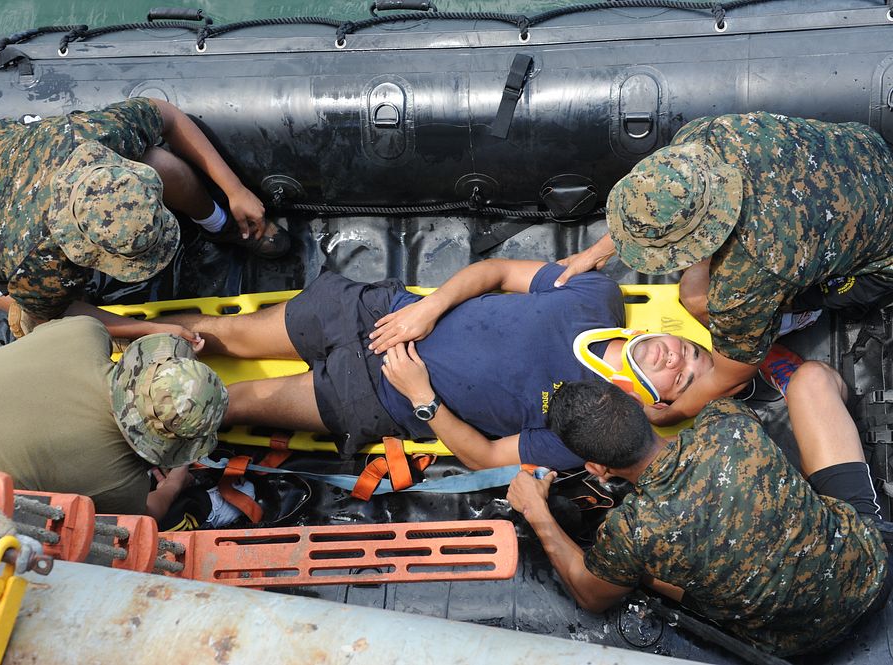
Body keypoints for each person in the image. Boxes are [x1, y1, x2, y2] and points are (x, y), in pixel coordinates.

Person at [158, 258, 712, 470]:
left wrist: (422, 397)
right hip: (382, 313)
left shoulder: (591, 429)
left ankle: (124, 418)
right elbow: (497, 272)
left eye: (683, 376)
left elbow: (486, 456)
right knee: (222, 335)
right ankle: (123, 336)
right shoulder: (597, 296)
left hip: (382, 395)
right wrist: (429, 307)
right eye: (690, 348)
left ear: (658, 403)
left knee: (234, 403)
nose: (675, 355)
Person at [506, 366, 891, 657]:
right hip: (870, 566)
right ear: (639, 406)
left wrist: (537, 511)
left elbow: (591, 596)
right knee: (813, 378)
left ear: (596, 468)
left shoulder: (632, 530)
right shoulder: (727, 420)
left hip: (801, 642)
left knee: (627, 571)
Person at [552, 112, 893, 426]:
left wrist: (671, 414)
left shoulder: (750, 270)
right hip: (870, 153)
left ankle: (780, 332)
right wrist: (597, 252)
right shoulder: (703, 137)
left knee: (696, 297)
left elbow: (732, 378)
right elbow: (659, 200)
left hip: (877, 262)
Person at [0, 97, 290, 342]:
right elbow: (51, 315)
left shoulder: (92, 135)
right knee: (25, 314)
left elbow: (165, 114)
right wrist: (146, 328)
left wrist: (235, 190)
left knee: (158, 161)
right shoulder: (40, 260)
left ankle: (219, 224)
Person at [0, 316, 227, 518]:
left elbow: (48, 323)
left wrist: (155, 333)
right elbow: (148, 515)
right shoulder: (119, 480)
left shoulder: (83, 333)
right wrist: (173, 485)